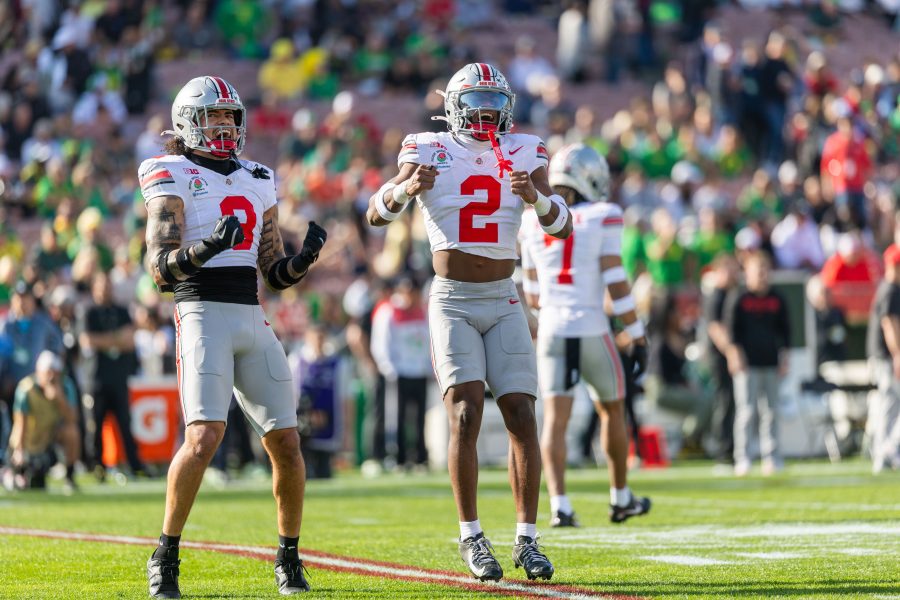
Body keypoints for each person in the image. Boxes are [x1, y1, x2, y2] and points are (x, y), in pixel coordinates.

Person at [367, 63, 572, 582]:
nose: (487, 111)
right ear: (455, 105)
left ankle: (527, 539)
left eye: (494, 100)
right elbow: (375, 213)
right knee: (464, 413)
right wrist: (406, 188)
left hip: (503, 295)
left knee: (522, 414)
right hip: (453, 297)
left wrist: (536, 198)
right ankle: (471, 535)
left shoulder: (525, 149)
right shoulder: (425, 147)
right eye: (476, 100)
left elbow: (562, 224)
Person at [140, 76, 327, 598]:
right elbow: (160, 269)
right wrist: (206, 249)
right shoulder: (169, 171)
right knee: (203, 438)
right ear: (186, 123)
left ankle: (289, 557)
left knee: (287, 443)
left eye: (229, 117)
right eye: (212, 117)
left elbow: (272, 273)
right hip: (200, 310)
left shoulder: (257, 176)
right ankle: (166, 554)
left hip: (250, 312)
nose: (223, 126)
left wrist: (303, 260)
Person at [518, 144, 651, 528]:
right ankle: (620, 497)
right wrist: (637, 332)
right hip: (592, 327)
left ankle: (560, 505)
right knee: (612, 408)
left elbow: (532, 293)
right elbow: (615, 278)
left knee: (555, 420)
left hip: (553, 329)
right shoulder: (604, 215)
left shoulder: (531, 220)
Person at [724, 252, 790, 477]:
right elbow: (732, 332)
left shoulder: (777, 298)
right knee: (746, 411)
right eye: (758, 270)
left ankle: (771, 456)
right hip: (747, 364)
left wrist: (784, 357)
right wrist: (735, 356)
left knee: (771, 411)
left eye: (765, 270)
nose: (762, 275)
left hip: (770, 362)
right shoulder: (740, 298)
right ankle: (742, 457)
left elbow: (786, 332)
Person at [78, 271, 147, 478]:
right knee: (95, 425)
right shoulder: (88, 311)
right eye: (101, 286)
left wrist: (105, 341)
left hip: (118, 377)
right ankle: (97, 466)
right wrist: (117, 338)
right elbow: (88, 341)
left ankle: (135, 465)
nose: (105, 290)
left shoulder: (122, 311)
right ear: (94, 288)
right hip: (96, 378)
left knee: (126, 424)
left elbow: (131, 341)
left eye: (108, 286)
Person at [369, 275, 432, 470]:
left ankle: (420, 456)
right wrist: (388, 367)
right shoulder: (388, 311)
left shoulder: (422, 310)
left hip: (419, 371)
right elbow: (381, 342)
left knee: (420, 417)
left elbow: (428, 339)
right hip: (399, 372)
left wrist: (430, 366)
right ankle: (398, 457)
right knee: (397, 416)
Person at [4, 351, 79, 493]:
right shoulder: (27, 389)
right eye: (48, 373)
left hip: (48, 441)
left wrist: (60, 399)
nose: (51, 377)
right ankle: (14, 472)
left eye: (54, 373)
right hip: (27, 441)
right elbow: (20, 424)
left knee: (71, 432)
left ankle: (69, 475)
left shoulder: (65, 386)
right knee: (26, 481)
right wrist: (19, 450)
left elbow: (72, 420)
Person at [866, 244, 900, 474]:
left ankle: (887, 449)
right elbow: (890, 325)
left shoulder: (889, 289)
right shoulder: (890, 289)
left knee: (891, 404)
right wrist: (898, 355)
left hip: (887, 357)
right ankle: (884, 450)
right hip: (886, 358)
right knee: (889, 404)